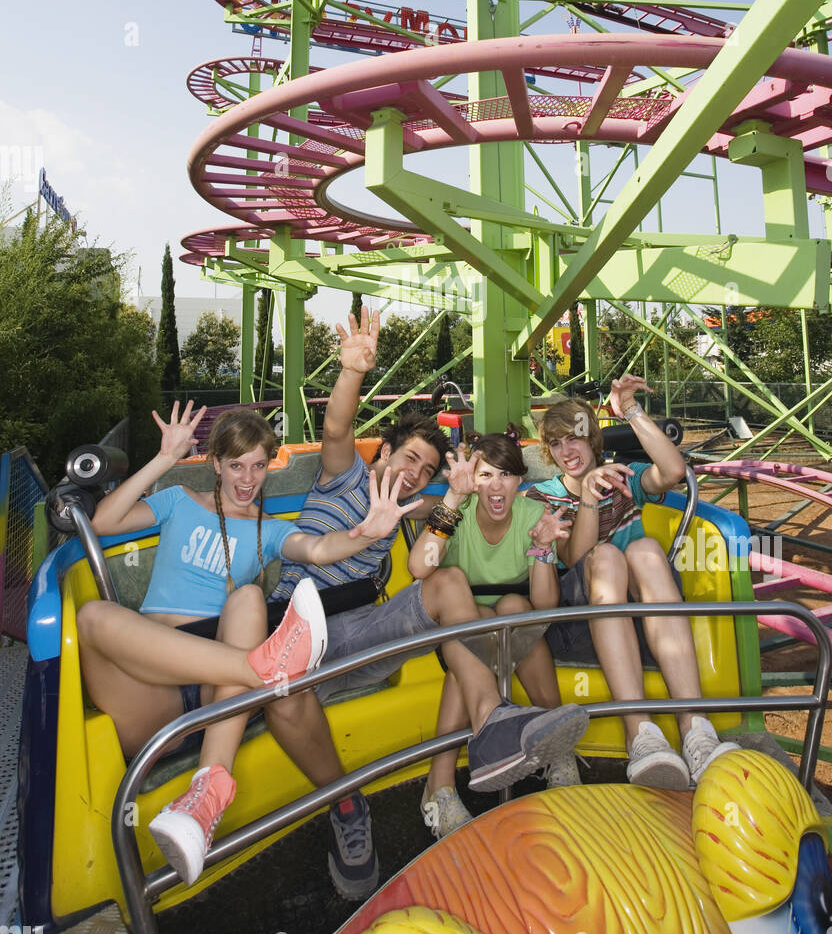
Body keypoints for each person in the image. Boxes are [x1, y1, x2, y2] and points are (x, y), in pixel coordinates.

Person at [266, 307, 588, 897]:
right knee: (285, 695)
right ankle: (352, 809)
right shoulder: (346, 478)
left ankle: (492, 722)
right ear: (383, 452)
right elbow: (337, 430)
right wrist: (352, 372)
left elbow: (428, 571)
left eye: (430, 468)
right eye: (409, 459)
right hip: (293, 631)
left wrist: (452, 503)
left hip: (358, 632)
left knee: (459, 593)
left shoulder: (418, 512)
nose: (416, 474)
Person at [77, 403, 418, 885]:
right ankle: (264, 668)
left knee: (249, 599)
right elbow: (104, 523)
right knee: (91, 617)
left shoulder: (270, 528)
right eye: (236, 465)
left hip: (220, 695)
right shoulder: (177, 499)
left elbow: (317, 549)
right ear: (215, 464)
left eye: (259, 465)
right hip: (154, 689)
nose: (248, 478)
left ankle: (208, 791)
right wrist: (163, 459)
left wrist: (365, 534)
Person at [532, 375, 737, 789]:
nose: (567, 450)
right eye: (556, 443)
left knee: (644, 549)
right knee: (605, 555)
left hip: (648, 618)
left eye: (575, 437)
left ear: (593, 440)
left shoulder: (624, 478)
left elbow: (674, 470)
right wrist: (589, 497)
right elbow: (574, 558)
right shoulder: (544, 498)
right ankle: (639, 733)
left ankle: (695, 728)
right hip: (582, 622)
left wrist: (629, 410)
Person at [407, 429, 579, 839]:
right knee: (480, 626)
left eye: (505, 475)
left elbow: (544, 605)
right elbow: (420, 567)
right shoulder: (460, 510)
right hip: (465, 626)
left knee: (513, 609)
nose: (496, 485)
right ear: (474, 481)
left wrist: (541, 551)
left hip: (512, 626)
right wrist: (450, 500)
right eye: (485, 476)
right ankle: (447, 784)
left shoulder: (534, 515)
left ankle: (443, 785)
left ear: (519, 482)